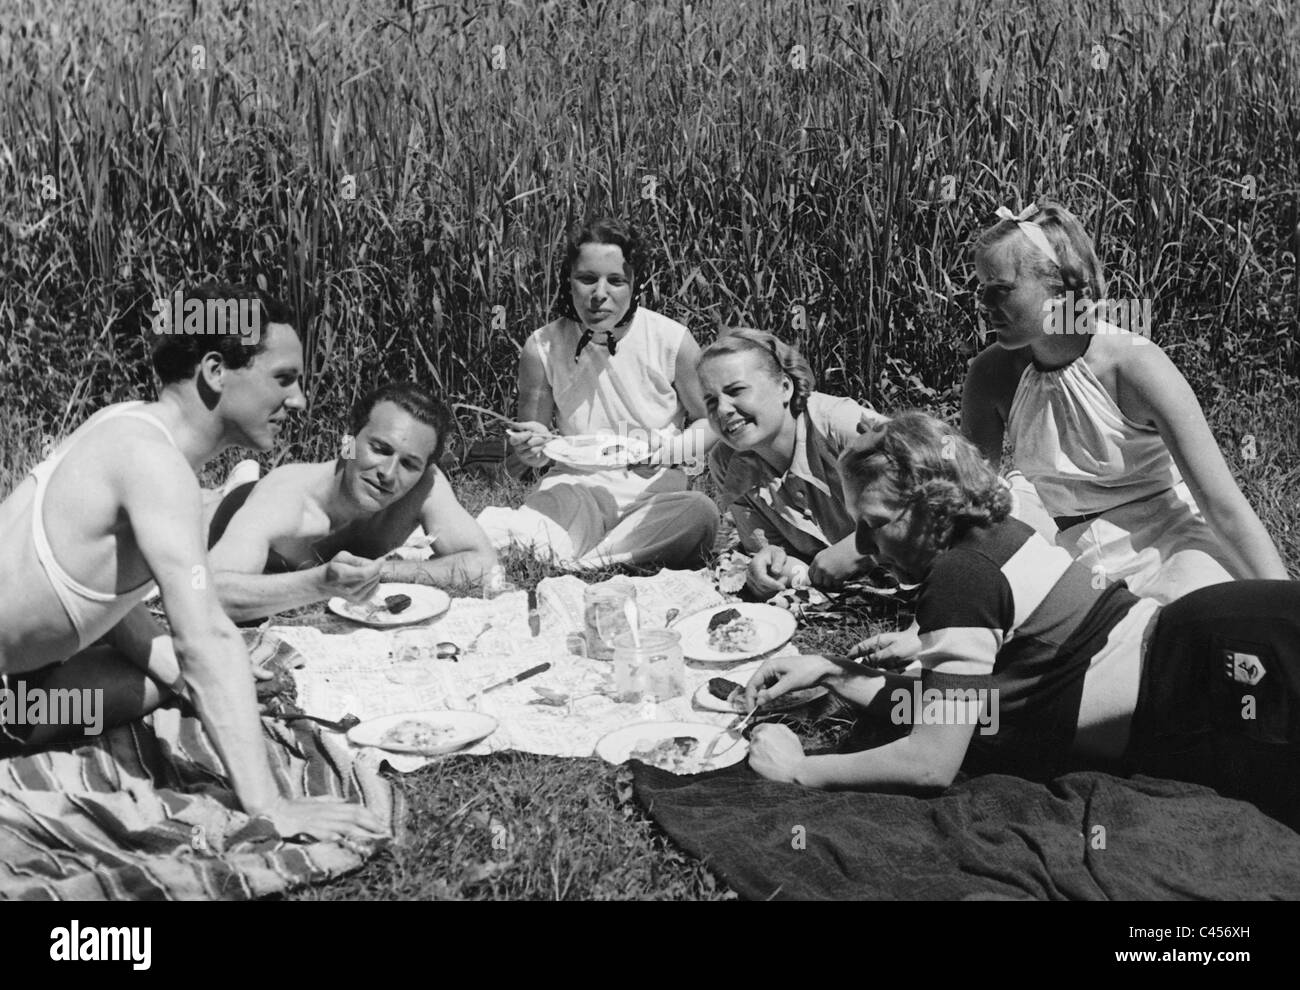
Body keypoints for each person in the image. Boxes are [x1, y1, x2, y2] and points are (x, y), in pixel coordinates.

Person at [743, 412, 1300, 826]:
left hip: (1213, 685)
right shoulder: (994, 535)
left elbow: (931, 762)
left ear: (933, 506)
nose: (861, 545)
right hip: (1221, 642)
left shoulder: (961, 580)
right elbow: (959, 710)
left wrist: (800, 769)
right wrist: (833, 672)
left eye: (874, 523)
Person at [0, 283, 386, 843]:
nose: (299, 400)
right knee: (194, 674)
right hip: (15, 692)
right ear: (214, 371)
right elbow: (204, 637)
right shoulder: (156, 467)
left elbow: (115, 597)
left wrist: (186, 674)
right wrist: (271, 804)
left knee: (171, 680)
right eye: (283, 378)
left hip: (24, 676)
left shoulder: (126, 423)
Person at [962, 202, 1287, 603]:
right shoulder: (990, 374)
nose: (984, 303)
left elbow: (1221, 504)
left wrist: (1287, 610)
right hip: (1069, 547)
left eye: (1001, 288)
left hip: (1167, 546)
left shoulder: (1135, 365)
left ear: (1060, 282)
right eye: (981, 289)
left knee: (1184, 628)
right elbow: (973, 505)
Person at [475, 218, 720, 570]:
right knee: (530, 528)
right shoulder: (542, 345)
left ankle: (577, 560)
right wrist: (530, 449)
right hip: (575, 489)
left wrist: (670, 452)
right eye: (587, 279)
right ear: (569, 281)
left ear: (634, 284)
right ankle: (601, 557)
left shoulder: (672, 340)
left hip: (652, 493)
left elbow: (709, 420)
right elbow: (537, 448)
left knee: (700, 513)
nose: (600, 294)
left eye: (616, 281)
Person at [206, 382, 497, 622]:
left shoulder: (424, 485)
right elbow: (211, 593)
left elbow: (483, 564)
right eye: (380, 449)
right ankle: (236, 481)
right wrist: (319, 584)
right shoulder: (284, 500)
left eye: (409, 464)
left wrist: (381, 570)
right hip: (226, 514)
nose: (388, 473)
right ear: (347, 443)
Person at [698, 328, 888, 599]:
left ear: (784, 387)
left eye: (736, 390)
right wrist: (773, 564)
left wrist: (859, 549)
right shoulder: (726, 463)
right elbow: (774, 551)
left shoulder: (839, 424)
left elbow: (938, 485)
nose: (723, 409)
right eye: (710, 400)